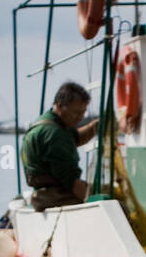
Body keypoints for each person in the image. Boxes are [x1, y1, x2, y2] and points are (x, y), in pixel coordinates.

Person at [21, 81, 99, 211]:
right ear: (60, 105)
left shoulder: (53, 123)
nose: (80, 117)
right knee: (110, 195)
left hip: (46, 190)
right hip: (52, 195)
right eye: (76, 112)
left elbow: (75, 138)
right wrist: (98, 200)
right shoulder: (54, 134)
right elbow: (72, 182)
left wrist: (95, 127)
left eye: (83, 112)